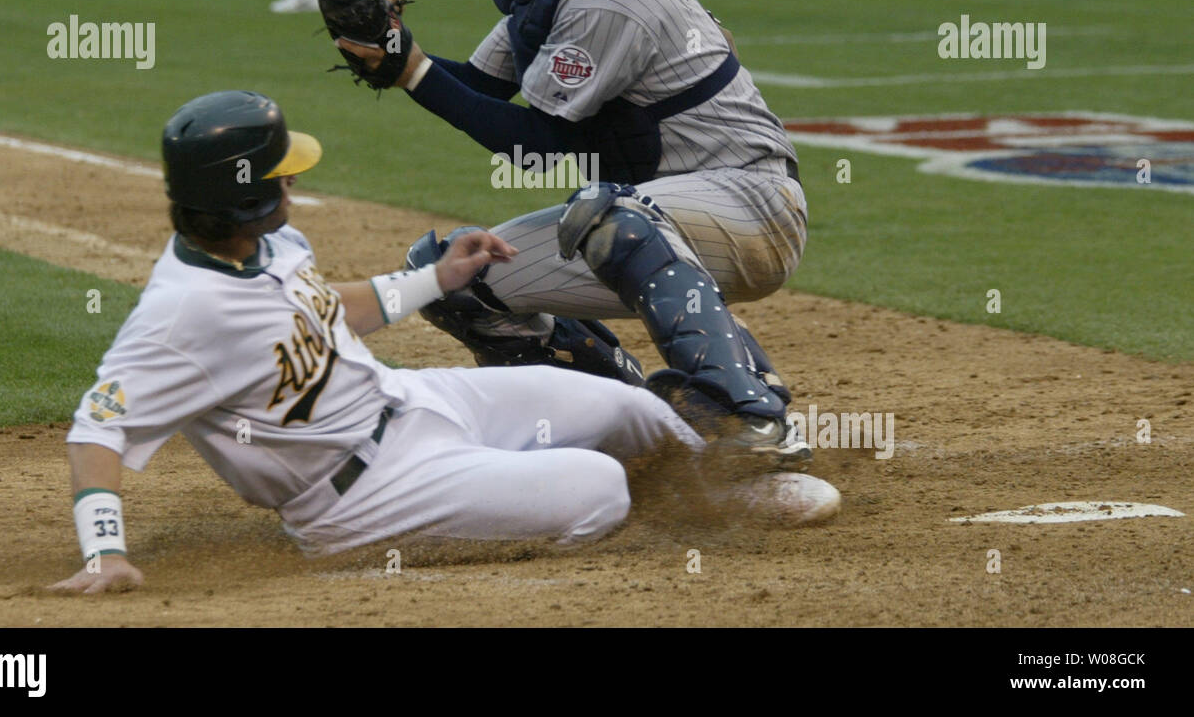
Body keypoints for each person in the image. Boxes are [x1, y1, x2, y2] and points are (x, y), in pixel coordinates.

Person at [47, 90, 726, 593]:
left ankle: (724, 494)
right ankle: (520, 536)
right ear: (244, 195)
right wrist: (103, 553)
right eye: (281, 169)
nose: (295, 177)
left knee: (628, 406)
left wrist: (437, 277)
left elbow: (325, 310)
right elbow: (97, 429)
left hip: (414, 400)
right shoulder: (180, 317)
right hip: (362, 496)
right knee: (601, 486)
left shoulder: (271, 241)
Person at [332, 0, 816, 467]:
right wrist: (393, 55)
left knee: (607, 214)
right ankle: (631, 431)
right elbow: (479, 89)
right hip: (660, 216)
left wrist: (413, 71)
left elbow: (536, 146)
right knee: (450, 278)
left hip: (752, 207)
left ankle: (750, 419)